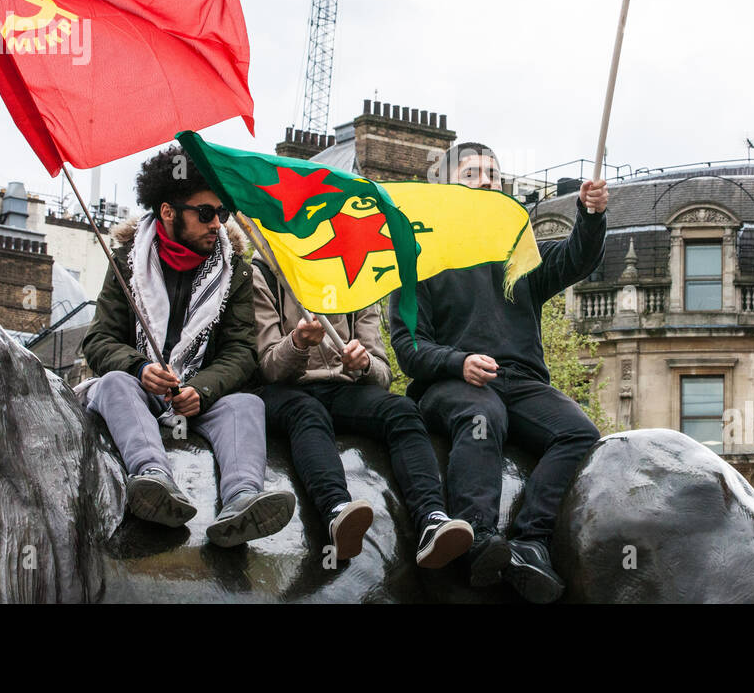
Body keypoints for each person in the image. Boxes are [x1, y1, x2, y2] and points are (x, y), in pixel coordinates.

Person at [390, 142, 608, 603]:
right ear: (446, 187)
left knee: (580, 433)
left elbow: (575, 258)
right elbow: (408, 347)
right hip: (452, 385)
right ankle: (479, 539)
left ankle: (530, 541)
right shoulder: (419, 259)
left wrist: (589, 217)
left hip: (523, 383)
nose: (488, 181)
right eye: (473, 174)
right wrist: (458, 362)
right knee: (483, 415)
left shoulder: (519, 252)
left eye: (493, 173)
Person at [80, 145, 295, 547]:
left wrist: (204, 389)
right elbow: (99, 340)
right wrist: (140, 369)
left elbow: (242, 352)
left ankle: (243, 501)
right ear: (168, 212)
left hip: (204, 400)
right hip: (139, 392)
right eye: (205, 212)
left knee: (248, 403)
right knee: (113, 383)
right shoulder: (126, 262)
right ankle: (154, 482)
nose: (217, 223)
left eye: (222, 214)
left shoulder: (236, 273)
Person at [252, 256, 474, 567]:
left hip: (343, 389)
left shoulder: (355, 273)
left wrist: (364, 363)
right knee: (307, 411)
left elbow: (382, 374)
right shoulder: (263, 273)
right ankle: (336, 512)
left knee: (402, 410)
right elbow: (267, 368)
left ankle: (431, 519)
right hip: (286, 391)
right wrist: (298, 343)